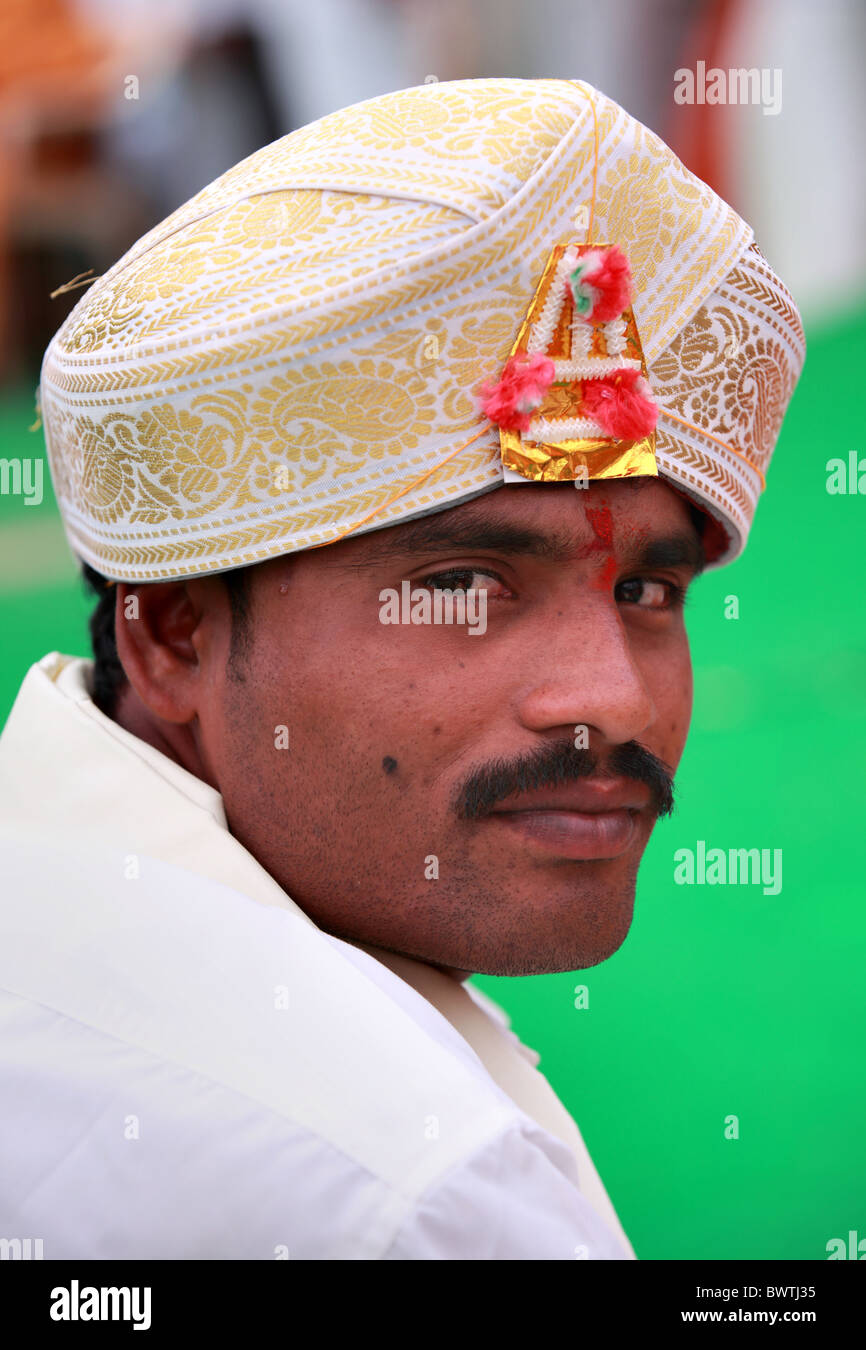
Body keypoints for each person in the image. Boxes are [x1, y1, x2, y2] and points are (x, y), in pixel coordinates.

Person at [0, 78, 804, 1260]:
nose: (614, 699)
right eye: (465, 586)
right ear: (173, 632)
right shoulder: (414, 1195)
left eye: (646, 590)